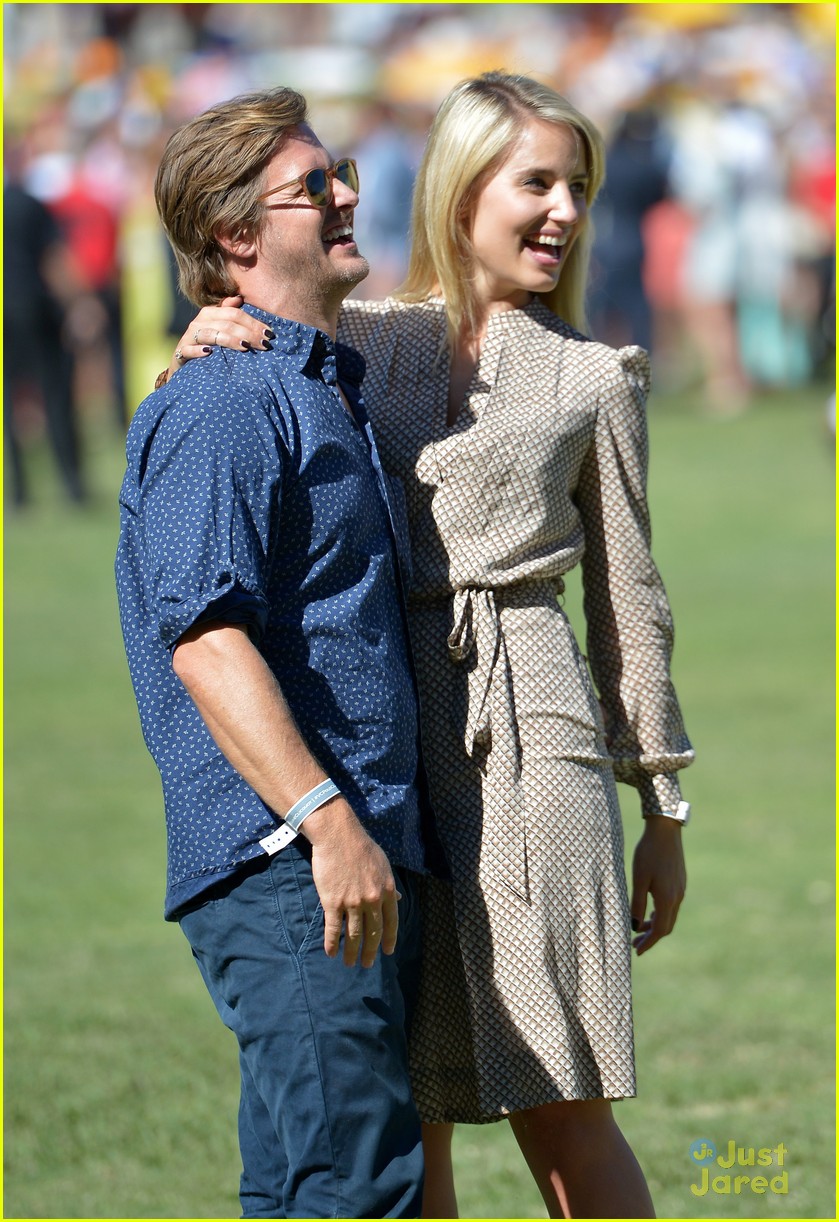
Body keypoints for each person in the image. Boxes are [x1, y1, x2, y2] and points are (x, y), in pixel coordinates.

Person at [161, 72, 694, 1219]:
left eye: (577, 188)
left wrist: (660, 805)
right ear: (461, 191)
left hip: (531, 738)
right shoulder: (360, 336)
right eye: (535, 181)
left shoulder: (594, 375)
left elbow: (630, 603)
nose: (562, 210)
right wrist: (190, 331)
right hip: (391, 751)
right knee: (413, 1097)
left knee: (560, 1091)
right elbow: (247, 358)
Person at [115, 86, 443, 1219]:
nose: (347, 192)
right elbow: (205, 643)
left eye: (341, 168)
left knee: (316, 1185)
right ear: (237, 235)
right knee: (354, 1189)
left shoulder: (315, 380)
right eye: (315, 186)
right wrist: (326, 820)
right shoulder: (223, 403)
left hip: (339, 856)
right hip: (292, 860)